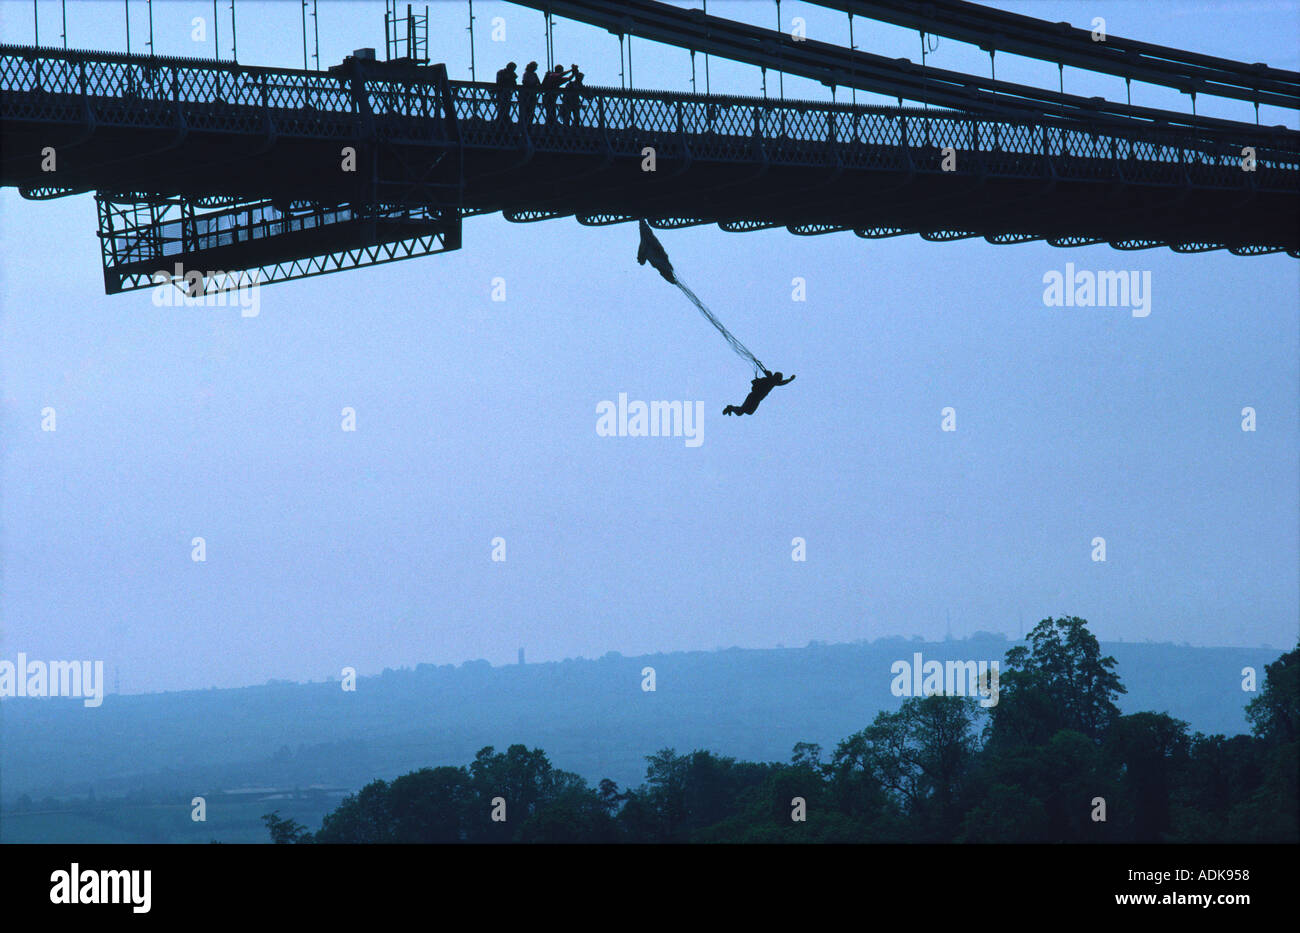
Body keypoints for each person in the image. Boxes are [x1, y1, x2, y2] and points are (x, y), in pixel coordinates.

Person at [723, 371, 795, 416]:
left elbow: (781, 382)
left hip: (756, 398)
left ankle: (731, 408)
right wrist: (790, 379)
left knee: (747, 412)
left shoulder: (770, 380)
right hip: (754, 396)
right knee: (743, 411)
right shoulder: (771, 380)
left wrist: (790, 379)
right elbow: (782, 382)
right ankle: (730, 408)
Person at [520, 61, 541, 126]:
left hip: (532, 94)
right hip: (527, 94)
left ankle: (529, 122)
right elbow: (524, 82)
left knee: (531, 109)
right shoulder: (527, 74)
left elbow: (538, 82)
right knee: (527, 109)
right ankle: (526, 122)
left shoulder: (534, 74)